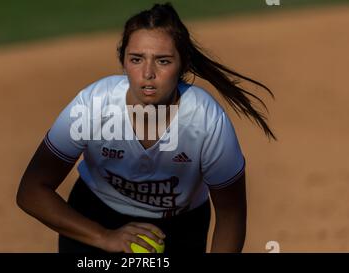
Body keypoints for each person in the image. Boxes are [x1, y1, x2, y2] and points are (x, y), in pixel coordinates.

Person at [17, 2, 276, 253]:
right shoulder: (93, 105)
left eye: (163, 61)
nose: (148, 73)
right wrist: (105, 237)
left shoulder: (206, 121)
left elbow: (231, 215)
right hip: (94, 220)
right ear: (123, 61)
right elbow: (32, 190)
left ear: (183, 64)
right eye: (137, 59)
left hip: (180, 229)